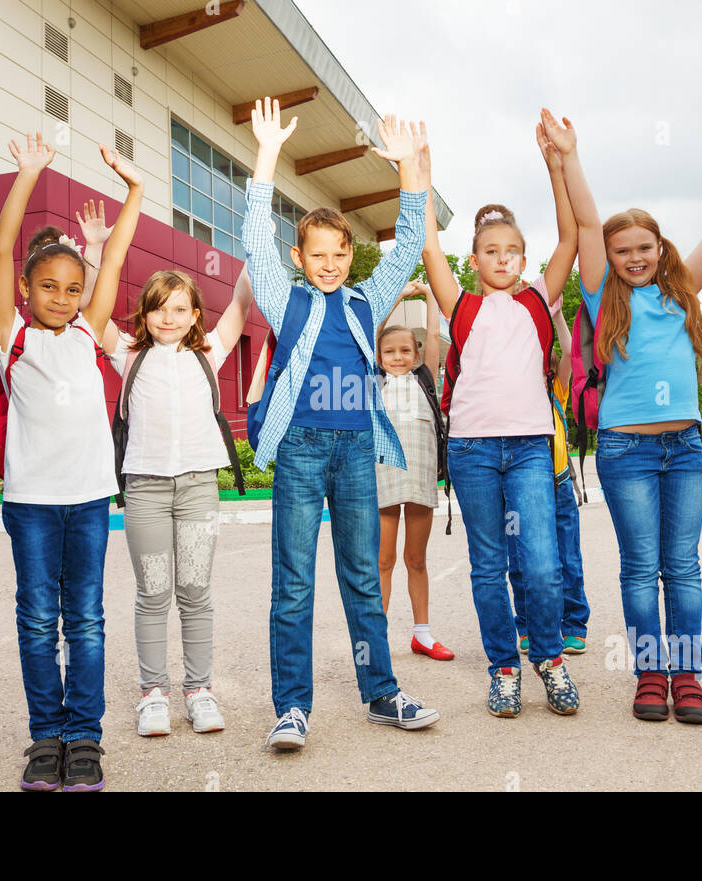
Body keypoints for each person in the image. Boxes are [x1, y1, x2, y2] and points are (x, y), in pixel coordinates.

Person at [555, 107, 702, 724]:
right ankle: (650, 674)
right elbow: (589, 222)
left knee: (684, 568)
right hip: (626, 451)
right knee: (641, 568)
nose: (633, 257)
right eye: (623, 251)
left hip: (685, 449)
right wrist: (569, 156)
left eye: (644, 247)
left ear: (660, 248)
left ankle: (688, 676)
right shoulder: (602, 291)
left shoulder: (683, 290)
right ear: (611, 258)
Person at [242, 98, 439, 751]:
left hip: (357, 448)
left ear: (350, 256)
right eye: (316, 254)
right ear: (298, 258)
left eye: (338, 253)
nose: (327, 263)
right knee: (293, 580)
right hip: (300, 448)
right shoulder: (284, 296)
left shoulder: (364, 299)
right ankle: (292, 707)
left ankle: (381, 692)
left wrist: (410, 168)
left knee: (361, 574)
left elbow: (409, 240)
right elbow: (252, 238)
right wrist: (267, 153)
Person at [0, 133, 142, 789]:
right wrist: (27, 174)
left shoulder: (86, 330)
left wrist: (134, 190)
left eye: (72, 286)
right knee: (35, 620)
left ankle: (84, 737)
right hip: (30, 504)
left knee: (85, 619)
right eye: (47, 285)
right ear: (25, 289)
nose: (61, 295)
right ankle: (44, 737)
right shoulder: (11, 336)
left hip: (86, 501)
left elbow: (114, 261)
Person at [422, 116, 581, 718]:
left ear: (523, 258)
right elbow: (427, 244)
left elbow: (569, 238)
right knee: (488, 565)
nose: (503, 258)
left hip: (530, 447)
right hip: (472, 450)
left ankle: (550, 656)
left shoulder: (540, 299)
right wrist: (421, 178)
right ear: (476, 258)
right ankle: (504, 667)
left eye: (513, 251)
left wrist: (555, 165)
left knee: (541, 564)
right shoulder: (459, 305)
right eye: (491, 251)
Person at [109, 267, 254, 736]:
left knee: (194, 591)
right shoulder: (128, 355)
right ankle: (153, 694)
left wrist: (253, 250)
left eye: (178, 309)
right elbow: (94, 315)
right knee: (152, 593)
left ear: (194, 315)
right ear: (144, 314)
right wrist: (93, 253)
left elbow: (240, 306)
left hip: (198, 488)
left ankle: (199, 691)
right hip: (146, 489)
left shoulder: (209, 351)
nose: (167, 318)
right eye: (157, 308)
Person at [509, 294, 590, 659]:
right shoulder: (509, 395)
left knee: (567, 559)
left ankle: (573, 626)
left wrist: (555, 316)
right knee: (521, 561)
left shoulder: (553, 390)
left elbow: (573, 356)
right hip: (520, 490)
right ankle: (527, 625)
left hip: (558, 485)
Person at [375, 282, 453, 660]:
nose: (398, 357)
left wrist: (429, 295)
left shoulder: (426, 380)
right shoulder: (375, 382)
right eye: (389, 352)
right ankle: (378, 636)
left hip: (420, 477)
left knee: (416, 559)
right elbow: (373, 330)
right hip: (384, 477)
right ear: (379, 356)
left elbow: (435, 332)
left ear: (418, 353)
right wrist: (396, 297)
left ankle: (422, 634)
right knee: (383, 560)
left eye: (406, 350)